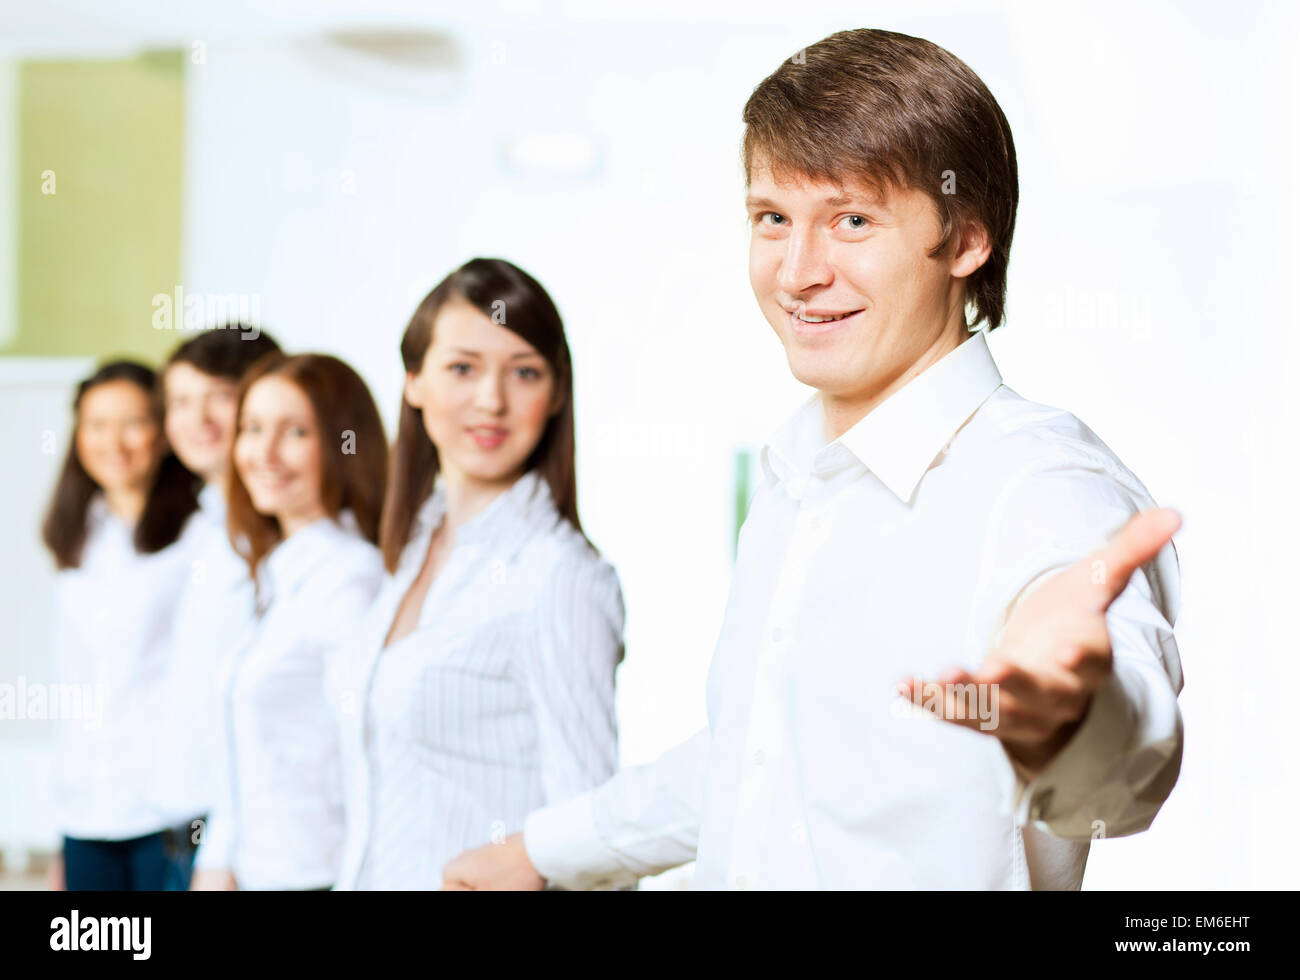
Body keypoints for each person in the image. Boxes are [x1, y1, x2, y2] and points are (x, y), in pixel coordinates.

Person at [441, 28, 1185, 891]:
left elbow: (1122, 771)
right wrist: (540, 851)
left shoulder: (1046, 486)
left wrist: (1074, 719)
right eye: (772, 220)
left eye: (852, 221)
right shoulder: (799, 477)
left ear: (967, 239)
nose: (797, 273)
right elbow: (755, 755)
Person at [328, 257, 625, 890]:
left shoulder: (558, 576)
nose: (490, 400)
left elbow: (593, 835)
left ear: (556, 395)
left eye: (523, 372)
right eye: (462, 368)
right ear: (414, 380)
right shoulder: (410, 548)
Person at [190, 353, 387, 890]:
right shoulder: (277, 574)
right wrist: (217, 863)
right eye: (252, 429)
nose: (264, 453)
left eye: (295, 432)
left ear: (345, 444)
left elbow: (374, 769)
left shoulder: (351, 583)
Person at [41, 360, 202, 890]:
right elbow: (75, 681)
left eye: (133, 422)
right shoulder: (81, 532)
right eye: (96, 424)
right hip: (87, 809)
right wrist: (63, 829)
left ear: (162, 433)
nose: (114, 441)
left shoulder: (201, 532)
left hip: (170, 812)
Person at [152, 325, 281, 888]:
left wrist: (220, 850)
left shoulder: (277, 540)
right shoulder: (202, 523)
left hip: (235, 844)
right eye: (180, 401)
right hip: (181, 831)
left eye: (219, 398)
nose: (196, 420)